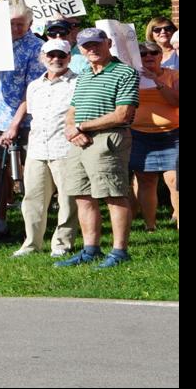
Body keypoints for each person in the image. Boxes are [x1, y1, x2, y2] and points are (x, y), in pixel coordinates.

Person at [57, 28, 140, 269]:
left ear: (108, 43)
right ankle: (90, 250)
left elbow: (123, 114)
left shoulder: (125, 72)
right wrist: (71, 129)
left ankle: (119, 252)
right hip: (80, 142)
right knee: (82, 196)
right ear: (80, 49)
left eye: (96, 43)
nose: (91, 49)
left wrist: (81, 126)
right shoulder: (84, 74)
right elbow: (73, 110)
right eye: (86, 45)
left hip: (108, 139)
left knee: (114, 195)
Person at [0, 4, 47, 243]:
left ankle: (34, 227)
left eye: (20, 24)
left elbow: (32, 90)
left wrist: (15, 124)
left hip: (26, 120)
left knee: (32, 173)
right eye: (11, 23)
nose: (16, 28)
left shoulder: (36, 48)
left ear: (30, 24)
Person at [16, 39, 82, 258]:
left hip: (65, 149)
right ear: (42, 57)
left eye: (61, 55)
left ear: (69, 57)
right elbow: (34, 116)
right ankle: (31, 244)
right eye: (51, 55)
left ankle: (62, 244)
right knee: (32, 199)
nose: (56, 59)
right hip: (36, 149)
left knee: (67, 199)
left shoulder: (78, 83)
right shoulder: (34, 86)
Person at [130, 41, 181, 232]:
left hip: (172, 134)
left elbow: (176, 101)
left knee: (175, 181)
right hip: (139, 134)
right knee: (146, 181)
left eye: (153, 52)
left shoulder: (173, 75)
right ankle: (150, 226)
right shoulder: (132, 76)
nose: (148, 56)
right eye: (143, 54)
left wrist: (156, 81)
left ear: (161, 55)